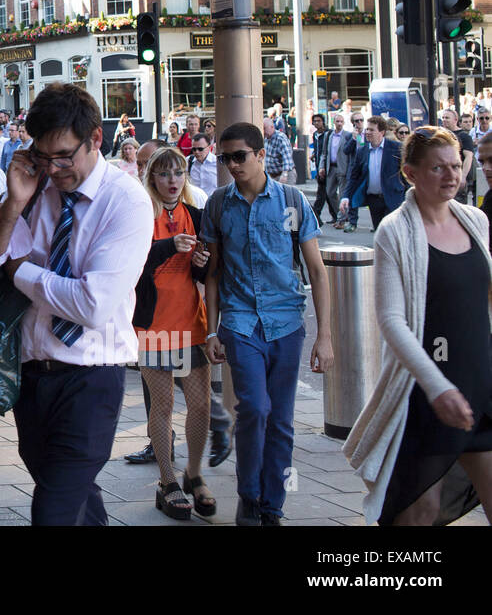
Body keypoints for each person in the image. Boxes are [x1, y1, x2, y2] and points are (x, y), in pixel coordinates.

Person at [0, 84, 154, 525]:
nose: (54, 168)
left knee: (52, 509)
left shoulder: (125, 202)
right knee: (73, 499)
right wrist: (13, 204)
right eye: (44, 156)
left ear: (95, 140)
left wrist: (20, 272)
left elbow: (92, 305)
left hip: (91, 377)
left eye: (65, 156)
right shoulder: (34, 192)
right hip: (30, 376)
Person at [342, 126, 492, 525]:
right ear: (410, 172)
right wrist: (437, 386)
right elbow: (391, 320)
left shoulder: (476, 221)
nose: (451, 176)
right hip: (428, 392)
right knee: (419, 511)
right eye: (438, 168)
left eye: (456, 166)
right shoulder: (395, 230)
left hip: (481, 383)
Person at [202, 122, 334, 526]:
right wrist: (212, 329)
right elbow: (213, 273)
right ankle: (250, 495)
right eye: (225, 158)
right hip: (240, 321)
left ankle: (273, 505)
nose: (232, 165)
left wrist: (324, 336)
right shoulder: (219, 203)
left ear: (261, 154)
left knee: (281, 419)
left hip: (286, 322)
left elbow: (316, 269)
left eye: (239, 156)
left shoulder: (292, 200)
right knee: (255, 409)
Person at [135, 147, 215, 520]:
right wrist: (168, 246)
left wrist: (202, 262)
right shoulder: (140, 215)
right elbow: (132, 263)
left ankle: (194, 473)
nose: (172, 181)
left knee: (200, 405)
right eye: (164, 174)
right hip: (153, 325)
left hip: (191, 322)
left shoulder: (195, 215)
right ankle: (167, 482)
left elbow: (203, 275)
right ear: (152, 178)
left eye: (178, 174)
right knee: (163, 405)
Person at [338, 116, 405, 231]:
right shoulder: (362, 152)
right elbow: (354, 177)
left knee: (393, 233)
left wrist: (407, 196)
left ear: (382, 132)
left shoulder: (395, 148)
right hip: (374, 200)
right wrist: (345, 197)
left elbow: (406, 173)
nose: (368, 132)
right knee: (380, 233)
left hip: (393, 198)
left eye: (372, 130)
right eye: (367, 129)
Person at [440, 108, 476, 206]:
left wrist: (463, 176)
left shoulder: (464, 136)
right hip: (443, 177)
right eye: (443, 117)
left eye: (447, 118)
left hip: (457, 177)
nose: (444, 120)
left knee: (458, 206)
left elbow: (469, 157)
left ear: (455, 120)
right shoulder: (440, 135)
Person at [309, 113, 332, 225]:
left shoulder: (328, 134)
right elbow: (318, 149)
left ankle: (315, 215)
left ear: (323, 122)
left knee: (322, 193)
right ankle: (336, 215)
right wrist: (314, 155)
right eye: (315, 121)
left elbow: (326, 151)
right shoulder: (315, 135)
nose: (317, 123)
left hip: (326, 167)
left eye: (319, 121)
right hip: (318, 165)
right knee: (326, 193)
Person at [262, 117, 294, 184]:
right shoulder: (265, 139)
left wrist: (284, 175)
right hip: (271, 175)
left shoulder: (280, 138)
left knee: (285, 193)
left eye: (264, 128)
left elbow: (287, 158)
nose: (263, 131)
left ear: (272, 127)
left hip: (284, 173)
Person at [187, 132, 217, 196]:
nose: (197, 152)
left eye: (200, 149)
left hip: (212, 203)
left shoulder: (217, 163)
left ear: (209, 147)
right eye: (194, 149)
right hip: (194, 203)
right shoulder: (188, 161)